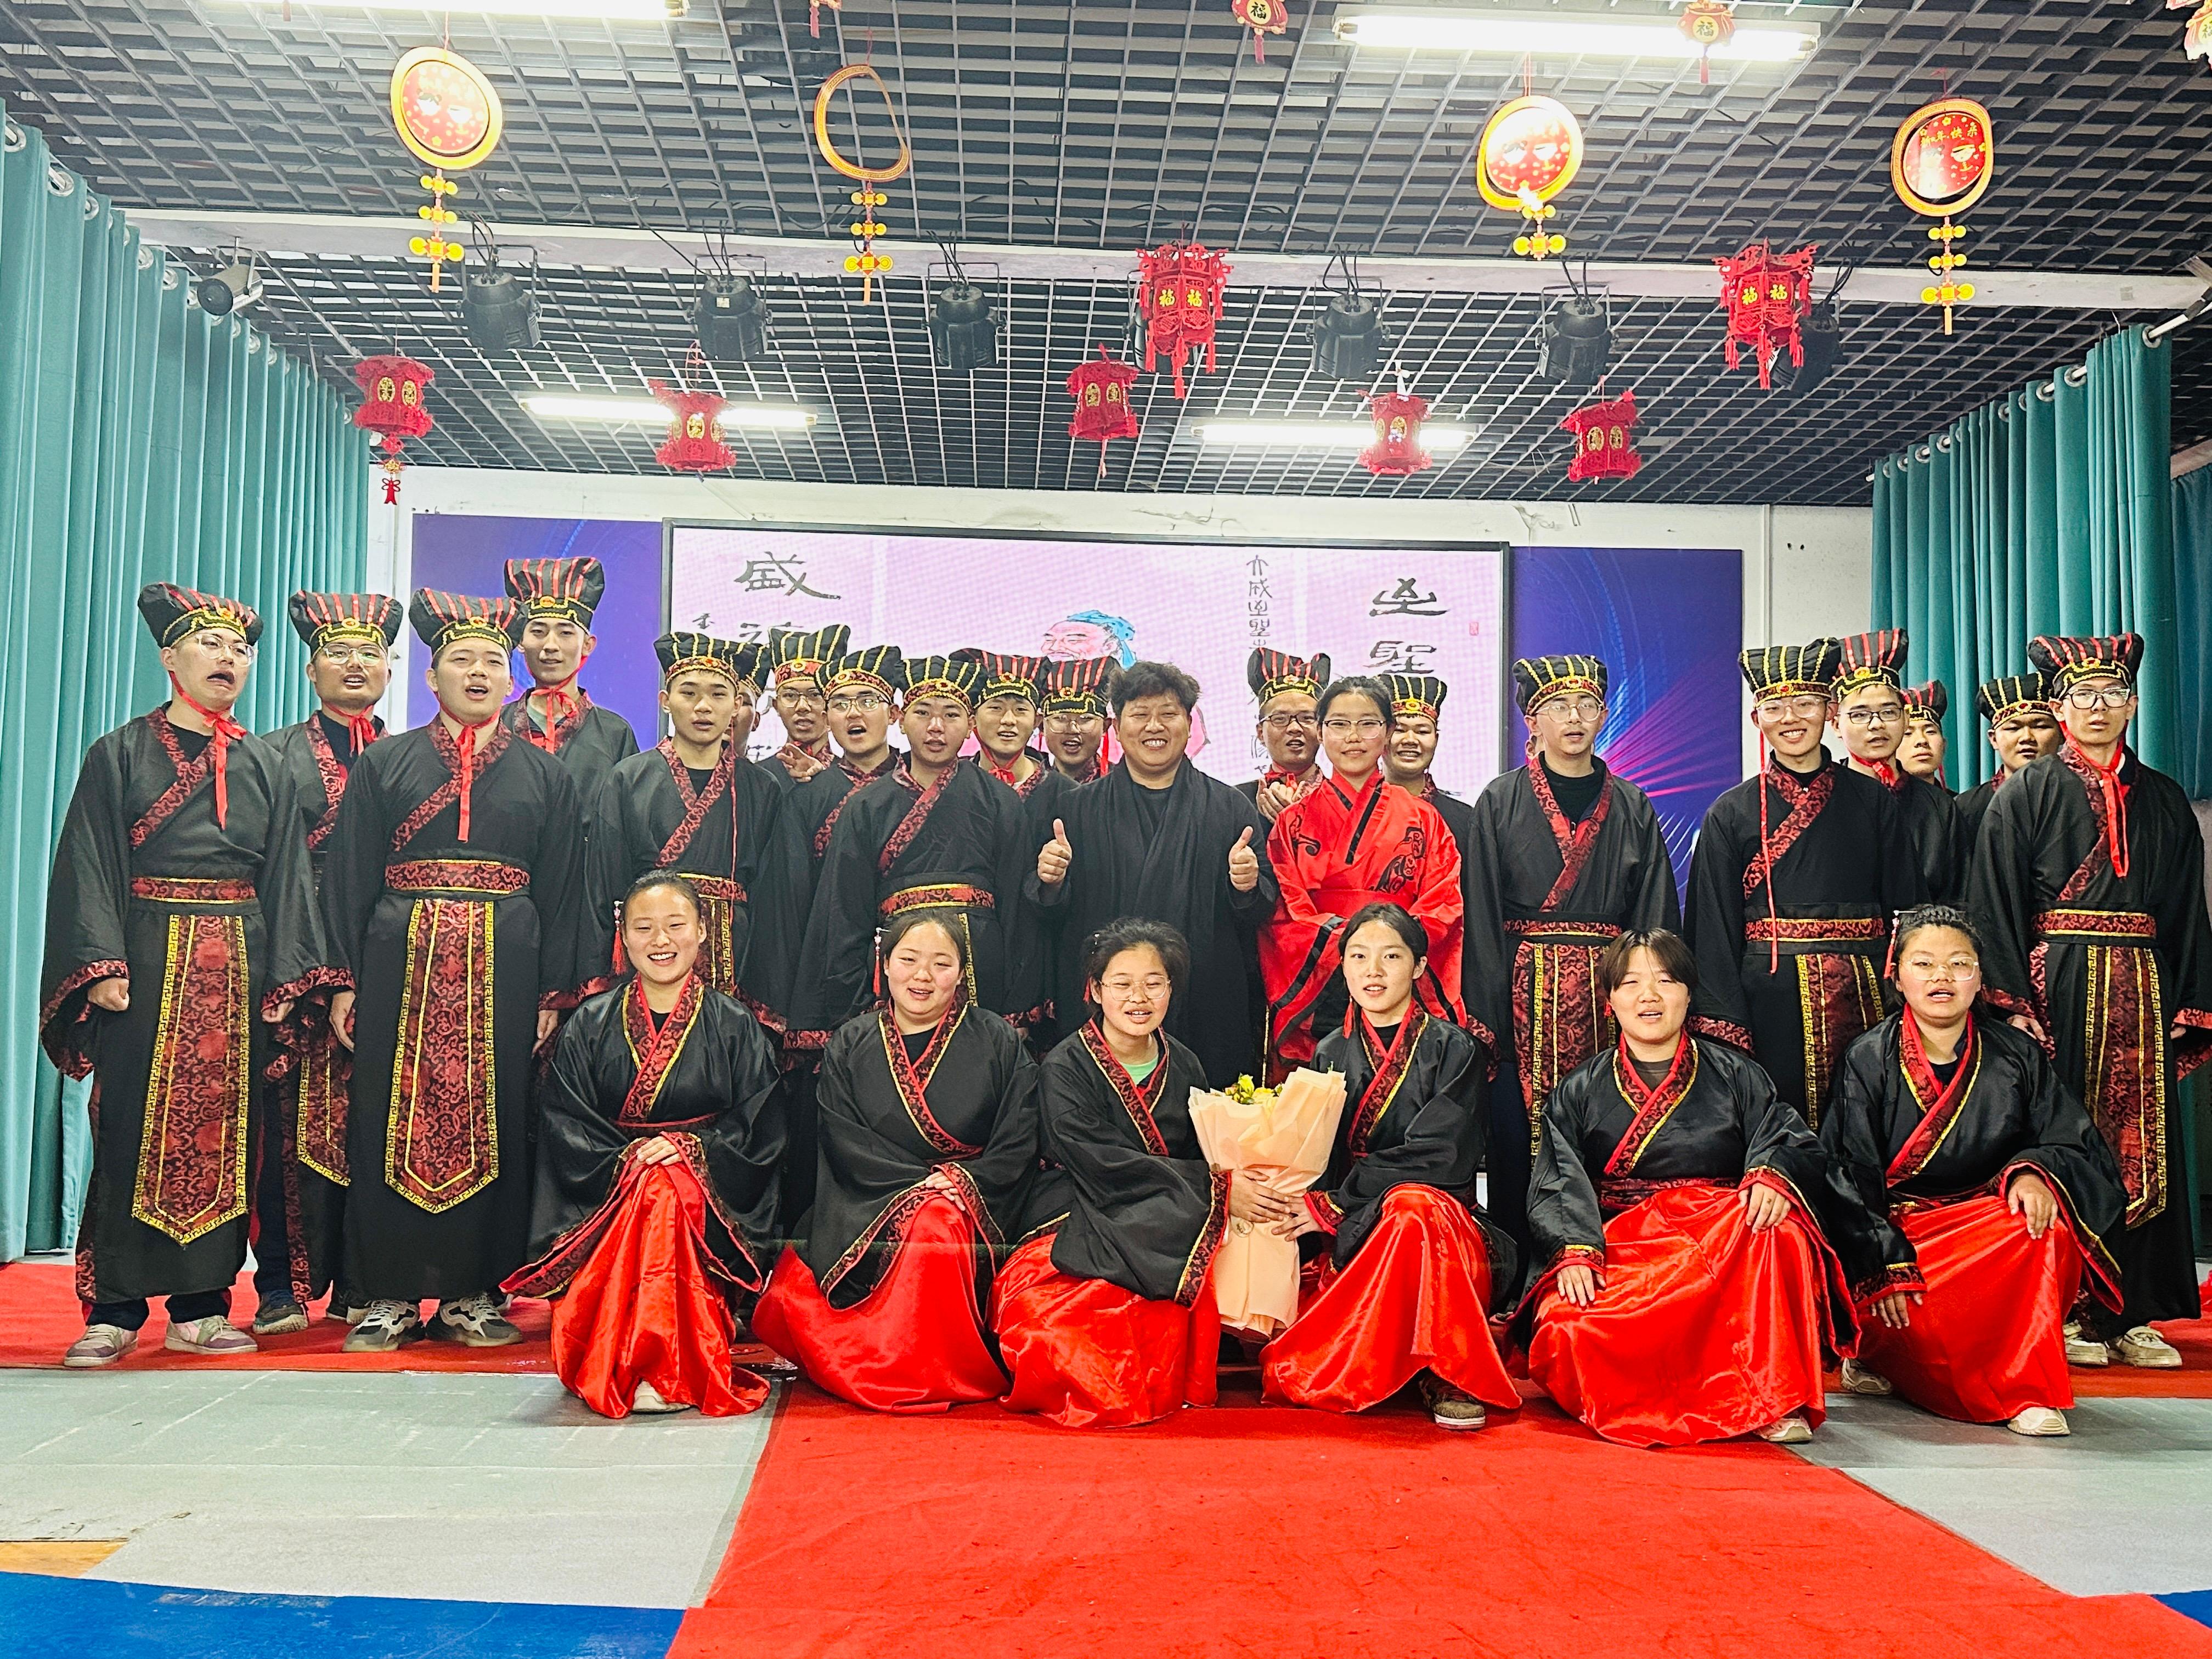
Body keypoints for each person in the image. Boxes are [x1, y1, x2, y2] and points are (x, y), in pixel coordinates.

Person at [43, 584, 336, 1366]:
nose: (228, 658)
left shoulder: (264, 764)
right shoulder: (119, 753)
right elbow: (88, 861)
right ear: (171, 658)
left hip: (239, 962)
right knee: (129, 1127)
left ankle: (202, 1307)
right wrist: (100, 963)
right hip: (146, 959)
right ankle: (113, 1310)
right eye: (211, 644)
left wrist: (286, 983)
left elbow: (286, 878)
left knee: (226, 1133)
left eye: (240, 650)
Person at [323, 590, 588, 1353]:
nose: (477, 674)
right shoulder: (384, 763)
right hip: (397, 961)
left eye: (491, 663)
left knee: (498, 1114)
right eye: (461, 661)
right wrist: (343, 980)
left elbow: (563, 889)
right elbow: (349, 876)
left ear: (511, 679)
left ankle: (476, 1292)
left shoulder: (547, 775)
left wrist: (555, 992)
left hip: (508, 966)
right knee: (386, 1115)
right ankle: (390, 1295)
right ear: (431, 676)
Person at [1514, 929, 1893, 1448]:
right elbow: (1558, 1181)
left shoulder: (1739, 1075)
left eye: (1666, 981)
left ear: (1689, 995)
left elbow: (1789, 1140)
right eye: (1631, 984)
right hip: (1628, 1249)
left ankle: (1774, 1397)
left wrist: (1771, 1174)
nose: (1649, 996)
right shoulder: (1579, 1090)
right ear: (1609, 1002)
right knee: (1565, 1330)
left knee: (1779, 1231)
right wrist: (1575, 1250)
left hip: (1723, 1243)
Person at [1967, 632, 2212, 1367]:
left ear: (2133, 705)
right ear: (2059, 705)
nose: (2098, 707)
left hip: (2141, 983)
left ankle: (2132, 1311)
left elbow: (2186, 908)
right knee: (2060, 1137)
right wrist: (2012, 1001)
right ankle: (2068, 1306)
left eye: (2112, 694)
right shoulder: (2027, 792)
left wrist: (2189, 998)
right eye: (2082, 695)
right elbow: (1994, 902)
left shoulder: (2163, 797)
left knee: (2144, 1146)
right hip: (2059, 985)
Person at [1820, 905, 2126, 1435]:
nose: (1942, 976)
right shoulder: (1867, 1058)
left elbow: (2072, 1141)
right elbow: (1848, 1174)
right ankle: (1876, 1350)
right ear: (1897, 976)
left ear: (1981, 977)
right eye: (1924, 964)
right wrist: (1885, 1263)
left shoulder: (2017, 1053)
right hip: (1905, 1244)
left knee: (2044, 1228)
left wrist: (2034, 1171)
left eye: (1959, 963)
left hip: (1988, 1229)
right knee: (1895, 1292)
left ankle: (2026, 1388)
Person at [505, 874, 785, 1417]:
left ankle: (660, 1361)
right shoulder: (589, 1023)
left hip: (704, 1190)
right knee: (652, 1183)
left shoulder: (735, 1025)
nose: (661, 940)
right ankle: (643, 1358)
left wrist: (692, 1150)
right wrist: (629, 1160)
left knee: (666, 1185)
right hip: (607, 1182)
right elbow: (566, 1121)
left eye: (676, 925)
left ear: (702, 932)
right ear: (624, 937)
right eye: (644, 927)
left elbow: (759, 1126)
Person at [753, 913, 1041, 1411]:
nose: (923, 976)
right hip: (868, 1194)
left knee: (936, 1222)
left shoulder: (999, 1040)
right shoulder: (851, 1041)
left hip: (969, 1196)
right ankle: (890, 1365)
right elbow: (842, 1137)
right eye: (908, 960)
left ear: (962, 972)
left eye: (941, 964)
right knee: (922, 1218)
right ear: (884, 965)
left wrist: (963, 1181)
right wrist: (919, 1188)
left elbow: (1019, 1133)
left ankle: (933, 1369)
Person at [1260, 904, 1521, 1430]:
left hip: (1443, 1227)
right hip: (1357, 1226)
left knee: (1412, 1205)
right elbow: (1319, 1155)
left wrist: (1338, 1203)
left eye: (1391, 957)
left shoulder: (1458, 1050)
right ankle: (1414, 1363)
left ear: (1420, 966)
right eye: (1358, 957)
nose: (1373, 971)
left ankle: (1447, 1370)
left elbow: (1442, 1156)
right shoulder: (1329, 1051)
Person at [1460, 656, 1679, 1275]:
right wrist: (1488, 1019)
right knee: (1516, 1138)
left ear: (1604, 715)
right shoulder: (1500, 800)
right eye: (1558, 706)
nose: (1574, 718)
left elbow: (1654, 916)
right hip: (1522, 992)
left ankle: (1608, 1265)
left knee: (1608, 1127)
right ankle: (1516, 1274)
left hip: (1608, 994)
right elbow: (1480, 913)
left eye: (1586, 705)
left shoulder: (1632, 804)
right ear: (1533, 721)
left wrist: (1647, 999)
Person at [994, 919, 1231, 1429]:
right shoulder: (1065, 1067)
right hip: (1080, 1203)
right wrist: (1208, 1188)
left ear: (1171, 989)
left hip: (1159, 1212)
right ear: (1096, 990)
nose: (1138, 998)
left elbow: (1201, 1150)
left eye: (1154, 983)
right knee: (1058, 1324)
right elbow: (1095, 1159)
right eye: (1122, 983)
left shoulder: (1186, 1064)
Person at [1684, 639, 1926, 1124]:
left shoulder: (1874, 801)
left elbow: (1907, 909)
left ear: (1830, 711)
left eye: (1806, 704)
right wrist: (1726, 1021)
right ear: (1757, 719)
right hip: (1769, 1000)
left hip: (1865, 992)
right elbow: (1712, 929)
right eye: (1775, 708)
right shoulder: (1729, 813)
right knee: (1778, 1122)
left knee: (1867, 1118)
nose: (1791, 719)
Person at [250, 590, 403, 1338]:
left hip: (385, 957)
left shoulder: (411, 756)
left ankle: (360, 1280)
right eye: (338, 653)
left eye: (369, 653)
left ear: (390, 669)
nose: (355, 665)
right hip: (297, 953)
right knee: (286, 1127)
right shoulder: (271, 754)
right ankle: (280, 1283)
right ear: (311, 670)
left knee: (375, 1121)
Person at [1030, 661, 1275, 1083]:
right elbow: (1049, 917)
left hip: (1203, 1003)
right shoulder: (1075, 810)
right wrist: (1051, 883)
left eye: (1168, 714)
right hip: (1109, 1004)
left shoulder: (1230, 808)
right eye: (1140, 714)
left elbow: (1258, 915)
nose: (1154, 726)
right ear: (1117, 726)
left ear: (1189, 724)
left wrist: (1247, 887)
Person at [787, 654, 1043, 1040]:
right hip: (896, 967)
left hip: (981, 968)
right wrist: (851, 1002)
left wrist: (1018, 1007)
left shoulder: (999, 801)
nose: (936, 727)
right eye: (923, 713)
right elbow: (846, 911)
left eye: (951, 715)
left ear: (970, 726)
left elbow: (1018, 912)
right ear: (902, 720)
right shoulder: (867, 805)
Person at [746, 644, 906, 1234]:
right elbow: (787, 907)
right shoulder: (805, 797)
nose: (854, 714)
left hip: (914, 977)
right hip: (829, 979)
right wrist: (787, 1006)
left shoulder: (924, 787)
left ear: (893, 712)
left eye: (868, 700)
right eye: (841, 703)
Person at [1261, 675, 1464, 1073]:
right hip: (1321, 986)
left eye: (1368, 723)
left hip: (1399, 978)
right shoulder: (1293, 822)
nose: (1353, 737)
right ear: (1320, 732)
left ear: (1387, 732)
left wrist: (1384, 951)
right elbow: (1286, 910)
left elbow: (1443, 902)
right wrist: (1355, 948)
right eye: (1339, 724)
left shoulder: (1425, 819)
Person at [582, 633, 784, 1010]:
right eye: (689, 693)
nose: (703, 707)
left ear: (737, 705)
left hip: (733, 953)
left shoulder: (761, 787)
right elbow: (604, 883)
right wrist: (599, 977)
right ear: (665, 701)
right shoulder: (628, 778)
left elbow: (771, 897)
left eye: (718, 695)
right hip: (650, 944)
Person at [1829, 631, 1967, 902]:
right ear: (1836, 725)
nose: (1876, 724)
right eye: (1860, 715)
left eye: (1888, 712)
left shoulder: (1939, 807)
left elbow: (1958, 897)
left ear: (1904, 719)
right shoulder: (1823, 799)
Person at [499, 556, 640, 791]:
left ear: (588, 645)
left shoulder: (615, 734)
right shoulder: (496, 727)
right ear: (520, 642)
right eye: (538, 632)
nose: (550, 646)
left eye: (565, 633)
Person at [955, 650, 1070, 819]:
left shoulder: (1065, 793)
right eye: (996, 708)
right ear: (973, 719)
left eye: (1020, 710)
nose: (1009, 720)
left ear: (1037, 721)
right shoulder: (953, 784)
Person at [1956, 673, 2063, 848]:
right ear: (1994, 739)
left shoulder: (2082, 797)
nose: (2027, 737)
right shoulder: (1967, 808)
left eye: (2041, 726)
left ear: (2062, 735)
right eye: (2013, 728)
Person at [1237, 647, 1329, 821]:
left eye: (1307, 718)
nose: (1294, 728)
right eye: (1280, 719)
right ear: (1261, 733)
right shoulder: (1235, 803)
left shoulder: (1344, 799)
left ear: (1321, 731)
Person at [759, 624, 851, 787]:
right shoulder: (756, 779)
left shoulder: (853, 780)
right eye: (790, 696)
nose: (802, 707)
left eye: (815, 695)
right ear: (776, 705)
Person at [1040, 656, 1115, 784]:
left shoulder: (1123, 784)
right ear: (1042, 726)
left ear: (1105, 726)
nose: (1072, 730)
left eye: (1085, 718)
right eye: (1060, 718)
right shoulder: (1031, 786)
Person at [1897, 680, 1949, 786]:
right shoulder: (1876, 796)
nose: (1922, 740)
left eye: (1930, 732)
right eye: (1908, 733)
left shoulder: (1960, 798)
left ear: (1944, 746)